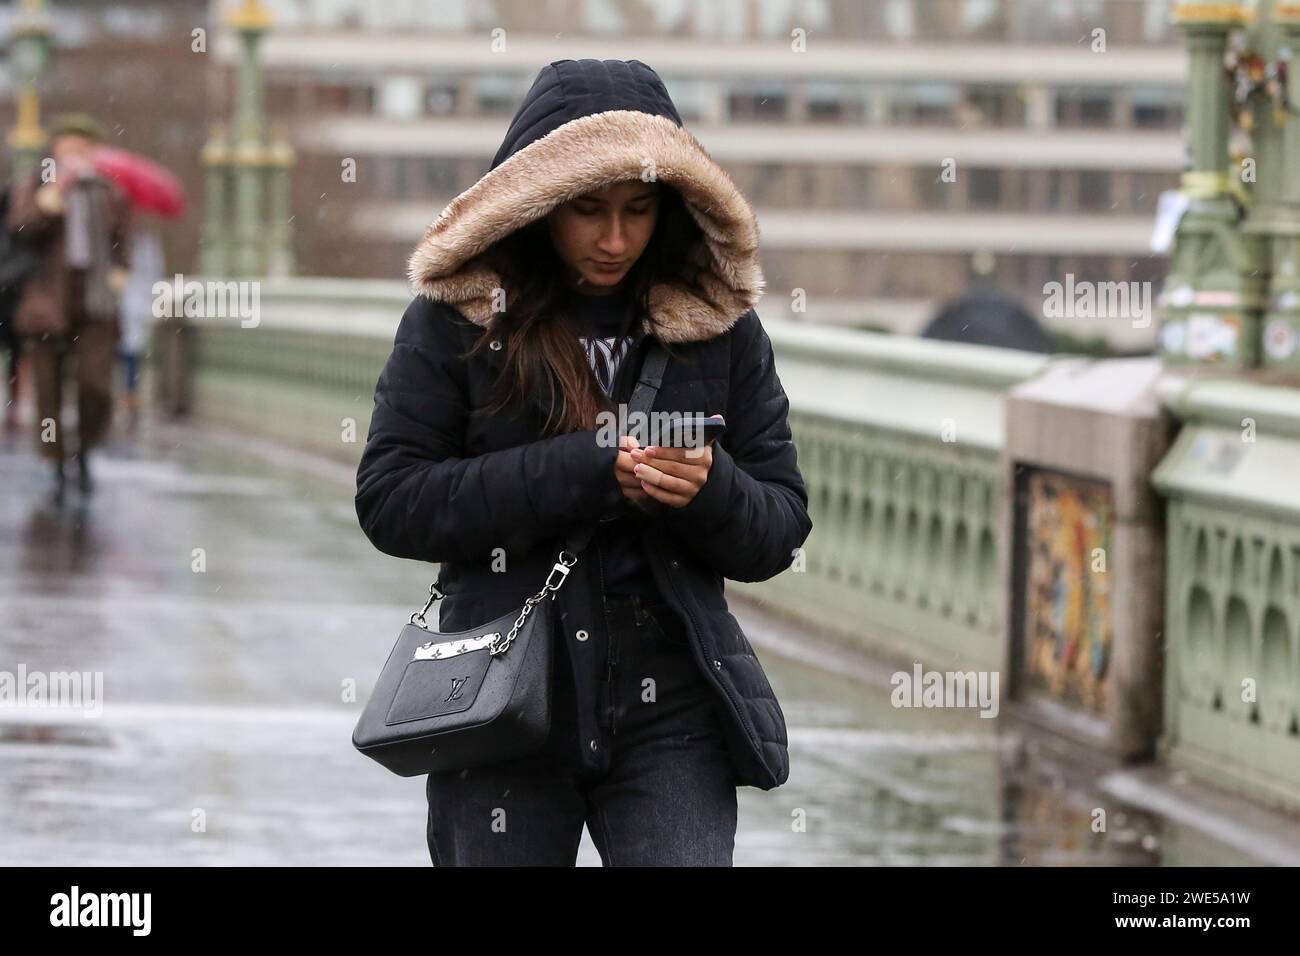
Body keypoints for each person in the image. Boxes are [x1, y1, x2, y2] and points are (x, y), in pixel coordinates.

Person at [355, 59, 812, 866]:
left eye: (638, 210)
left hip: (671, 701)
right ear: (536, 206)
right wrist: (587, 467)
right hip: (502, 691)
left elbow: (778, 530)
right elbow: (393, 501)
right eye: (588, 211)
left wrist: (709, 490)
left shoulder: (719, 325)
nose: (615, 239)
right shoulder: (458, 321)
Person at [5, 113, 131, 500]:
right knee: (49, 387)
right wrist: (53, 198)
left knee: (95, 384)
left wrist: (121, 272)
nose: (77, 153)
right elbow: (20, 230)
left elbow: (121, 242)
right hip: (47, 300)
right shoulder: (35, 186)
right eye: (70, 145)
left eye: (84, 146)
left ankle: (86, 450)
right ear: (55, 149)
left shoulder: (110, 193)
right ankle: (55, 459)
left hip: (95, 299)